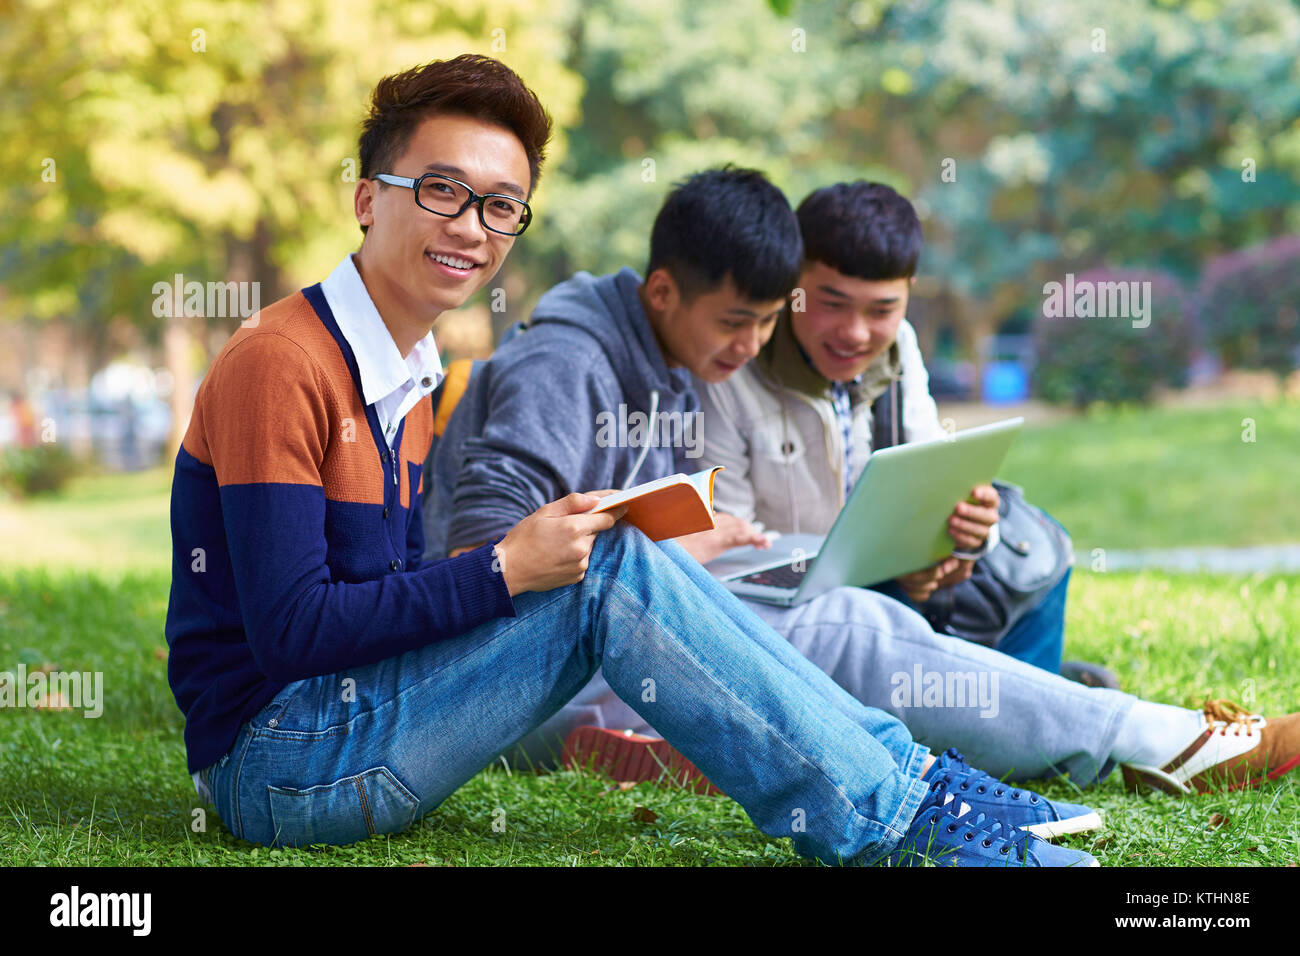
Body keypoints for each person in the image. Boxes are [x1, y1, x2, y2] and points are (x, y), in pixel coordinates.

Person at [163, 54, 1096, 867]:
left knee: (612, 547)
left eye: (500, 206)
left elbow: (390, 592)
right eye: (440, 191)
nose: (471, 227)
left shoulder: (407, 367)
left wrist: (536, 560)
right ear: (369, 199)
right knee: (608, 564)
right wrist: (502, 571)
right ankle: (897, 810)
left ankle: (913, 786)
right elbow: (290, 632)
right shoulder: (281, 363)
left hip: (356, 712)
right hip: (279, 764)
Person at [427, 167, 1300, 806]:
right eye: (738, 323)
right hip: (501, 682)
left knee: (815, 571)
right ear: (662, 292)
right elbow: (482, 564)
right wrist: (669, 552)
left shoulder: (668, 350)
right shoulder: (567, 361)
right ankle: (1155, 739)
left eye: (767, 324)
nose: (748, 348)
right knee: (836, 621)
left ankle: (657, 734)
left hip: (597, 654)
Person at [696, 180, 1108, 684]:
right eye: (831, 303)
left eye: (881, 310)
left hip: (892, 581)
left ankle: (1028, 694)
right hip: (794, 608)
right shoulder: (734, 367)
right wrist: (870, 571)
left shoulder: (899, 348)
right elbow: (728, 554)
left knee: (1040, 546)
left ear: (909, 295)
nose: (856, 333)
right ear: (791, 287)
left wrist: (961, 539)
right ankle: (1029, 700)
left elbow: (928, 467)